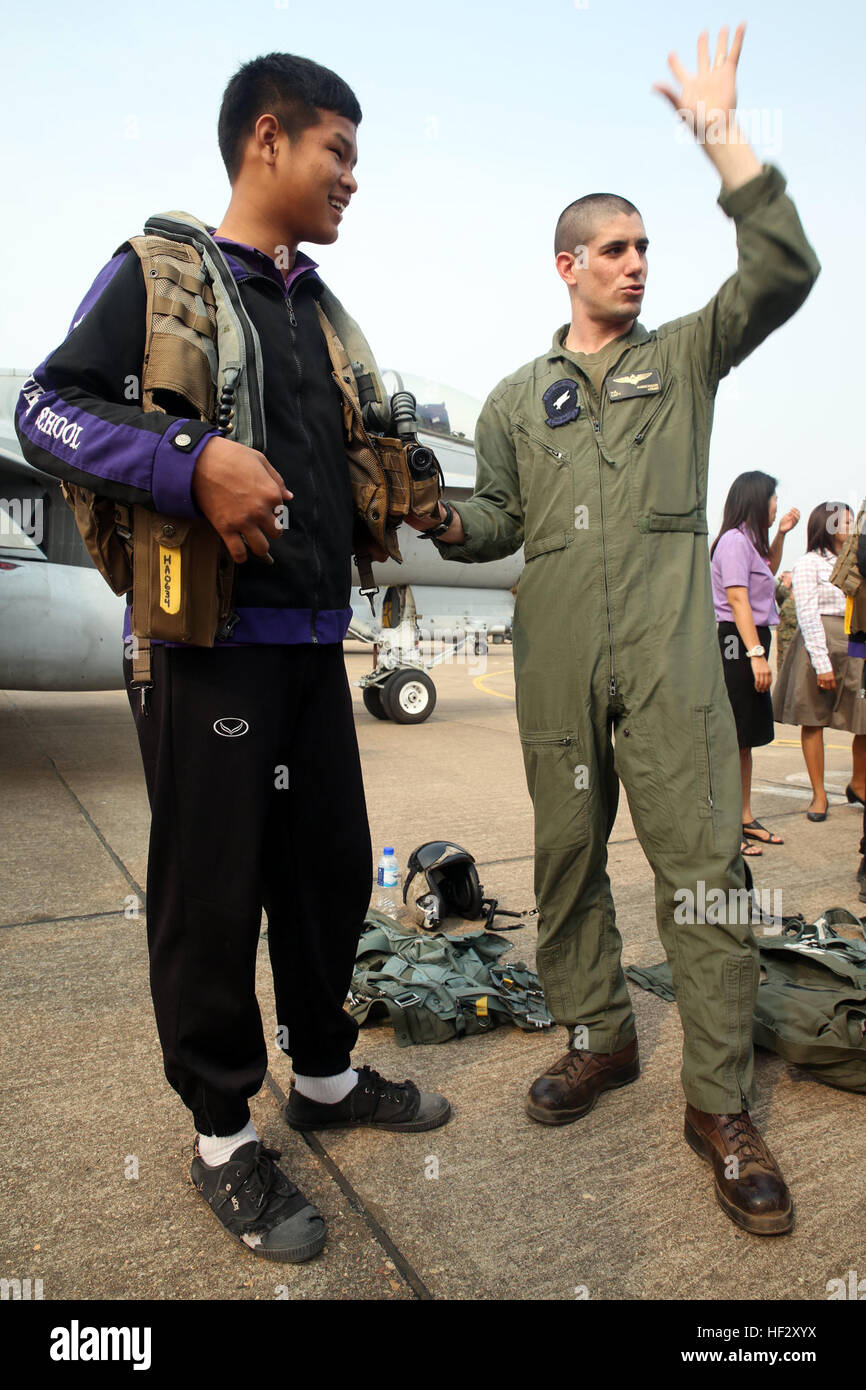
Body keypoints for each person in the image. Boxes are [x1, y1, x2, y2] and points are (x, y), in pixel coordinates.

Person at [15, 53, 450, 1265]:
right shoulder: (158, 274)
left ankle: (320, 1075)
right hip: (204, 644)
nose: (352, 180)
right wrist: (187, 460)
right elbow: (43, 408)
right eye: (339, 154)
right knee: (210, 898)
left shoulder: (317, 312)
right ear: (269, 138)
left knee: (323, 880)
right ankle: (220, 1133)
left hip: (314, 643)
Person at [409, 26, 819, 1235]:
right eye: (616, 249)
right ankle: (600, 1038)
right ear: (565, 266)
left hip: (672, 668)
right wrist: (439, 513)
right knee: (567, 860)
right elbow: (495, 522)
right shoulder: (509, 398)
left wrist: (721, 138)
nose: (638, 264)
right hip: (556, 668)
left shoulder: (684, 357)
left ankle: (718, 1102)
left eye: (646, 247)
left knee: (706, 879)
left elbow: (783, 269)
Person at [710, 471, 799, 854]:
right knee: (732, 738)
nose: (777, 503)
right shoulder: (732, 542)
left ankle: (744, 818)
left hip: (748, 639)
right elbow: (738, 600)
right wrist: (756, 654)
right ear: (755, 499)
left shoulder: (748, 542)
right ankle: (726, 829)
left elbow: (769, 569)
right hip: (736, 641)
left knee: (744, 740)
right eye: (773, 497)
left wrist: (781, 533)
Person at [773, 502, 866, 820]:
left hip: (855, 640)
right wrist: (822, 661)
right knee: (814, 718)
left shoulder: (857, 561)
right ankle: (819, 794)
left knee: (863, 718)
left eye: (853, 521)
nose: (850, 526)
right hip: (820, 640)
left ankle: (859, 782)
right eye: (843, 521)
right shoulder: (810, 563)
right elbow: (808, 613)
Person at [774, 570, 797, 669]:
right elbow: (776, 592)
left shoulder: (792, 601)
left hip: (792, 641)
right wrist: (780, 581)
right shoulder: (786, 600)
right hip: (785, 641)